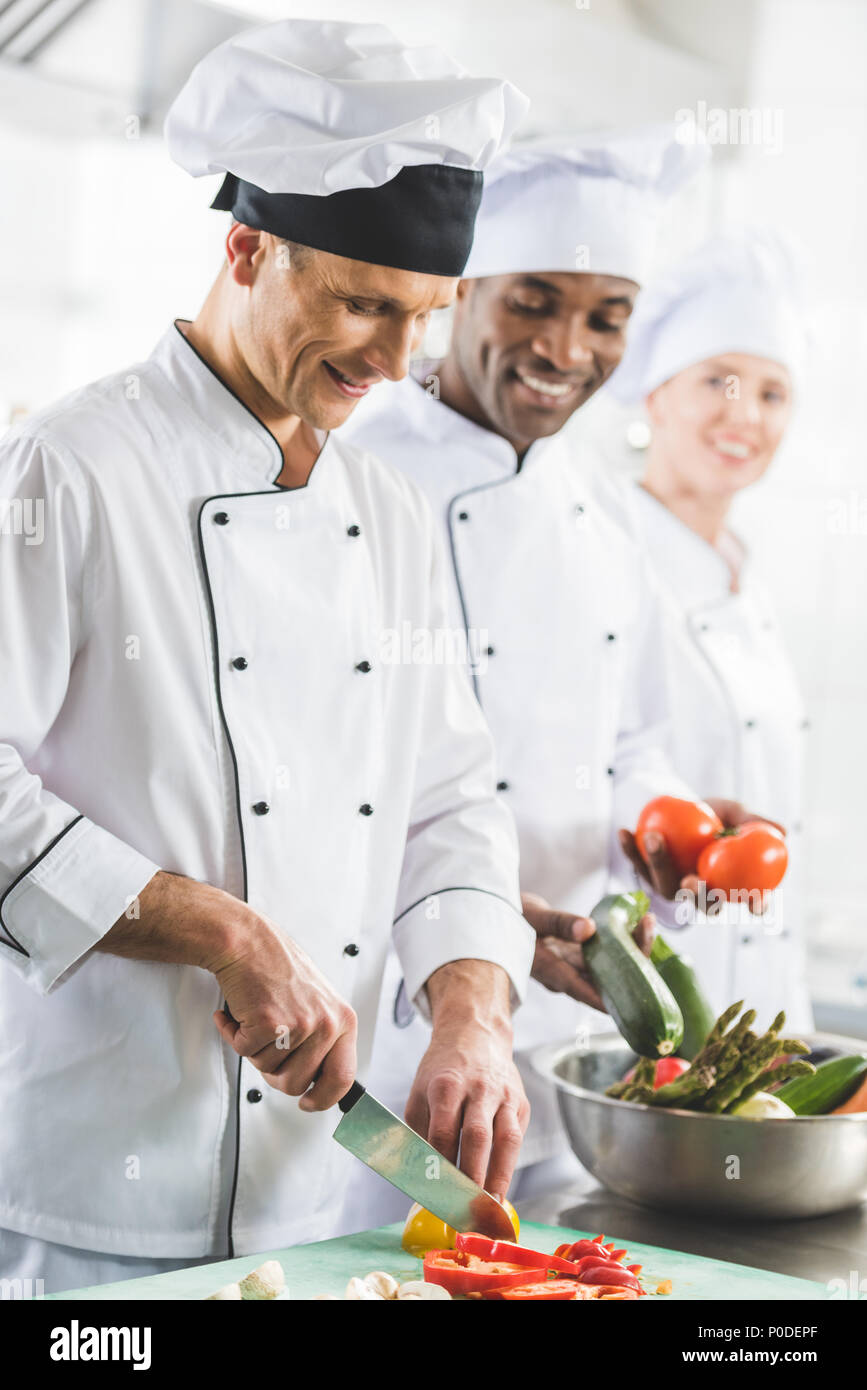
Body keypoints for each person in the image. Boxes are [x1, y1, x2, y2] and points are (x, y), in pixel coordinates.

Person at [0, 19, 542, 1294]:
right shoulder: (69, 469)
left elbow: (453, 800)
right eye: (360, 302)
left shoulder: (393, 516)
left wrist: (472, 1006)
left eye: (426, 317)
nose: (394, 365)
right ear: (244, 245)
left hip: (325, 1201)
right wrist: (221, 928)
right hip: (92, 1205)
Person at [339, 131, 741, 1225]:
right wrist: (476, 937)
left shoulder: (606, 510)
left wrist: (669, 833)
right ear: (463, 291)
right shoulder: (352, 473)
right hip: (387, 1021)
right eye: (535, 301)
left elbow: (634, 739)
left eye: (607, 316)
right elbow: (335, 772)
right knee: (386, 1265)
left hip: (570, 1019)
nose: (566, 346)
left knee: (543, 1261)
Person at [606, 230, 814, 1030]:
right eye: (717, 381)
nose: (744, 415)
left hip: (759, 1007)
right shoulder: (608, 551)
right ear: (656, 394)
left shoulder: (748, 581)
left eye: (771, 393)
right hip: (647, 1002)